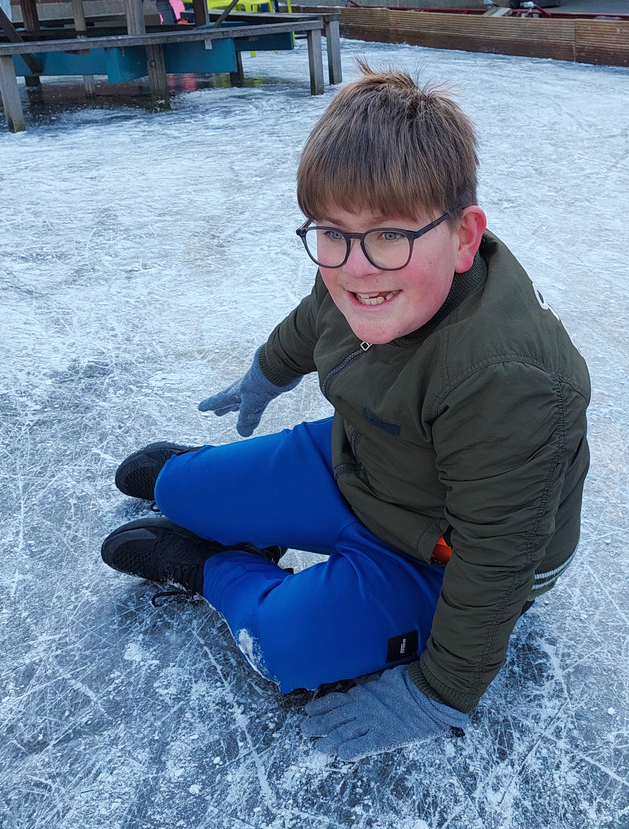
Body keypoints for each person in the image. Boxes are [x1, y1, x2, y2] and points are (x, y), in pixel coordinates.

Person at [100, 64, 591, 762]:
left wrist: (439, 692)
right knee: (178, 485)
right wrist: (264, 375)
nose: (357, 267)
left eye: (390, 234)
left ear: (463, 236)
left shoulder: (506, 380)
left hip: (448, 556)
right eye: (332, 232)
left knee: (286, 648)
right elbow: (313, 316)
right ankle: (211, 500)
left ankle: (211, 566)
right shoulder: (358, 272)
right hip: (365, 457)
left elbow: (499, 557)